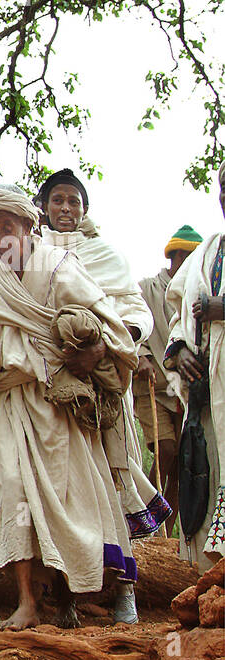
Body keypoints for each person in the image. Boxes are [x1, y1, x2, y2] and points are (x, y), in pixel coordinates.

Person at [0, 183, 137, 631]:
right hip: (9, 403)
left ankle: (72, 598)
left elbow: (110, 326)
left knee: (70, 499)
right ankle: (25, 600)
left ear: (29, 225)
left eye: (8, 226)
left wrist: (96, 352)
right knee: (13, 495)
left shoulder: (60, 266)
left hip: (57, 402)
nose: (0, 237)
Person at [37, 168, 169, 623]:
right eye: (58, 200)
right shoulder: (30, 256)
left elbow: (134, 313)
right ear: (43, 207)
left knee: (114, 485)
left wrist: (100, 349)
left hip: (107, 390)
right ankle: (68, 592)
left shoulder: (105, 255)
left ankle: (125, 590)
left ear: (85, 209)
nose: (66, 209)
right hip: (55, 393)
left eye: (74, 201)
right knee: (64, 489)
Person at [164, 166, 225, 569]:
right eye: (224, 187)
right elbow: (176, 313)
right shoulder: (207, 250)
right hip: (205, 396)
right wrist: (179, 351)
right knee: (205, 478)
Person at [135, 225, 201, 526]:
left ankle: (166, 534)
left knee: (182, 464)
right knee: (166, 449)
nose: (188, 264)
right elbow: (131, 322)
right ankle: (142, 519)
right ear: (172, 257)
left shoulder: (197, 294)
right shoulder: (146, 287)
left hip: (187, 391)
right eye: (183, 257)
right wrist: (142, 356)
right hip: (153, 385)